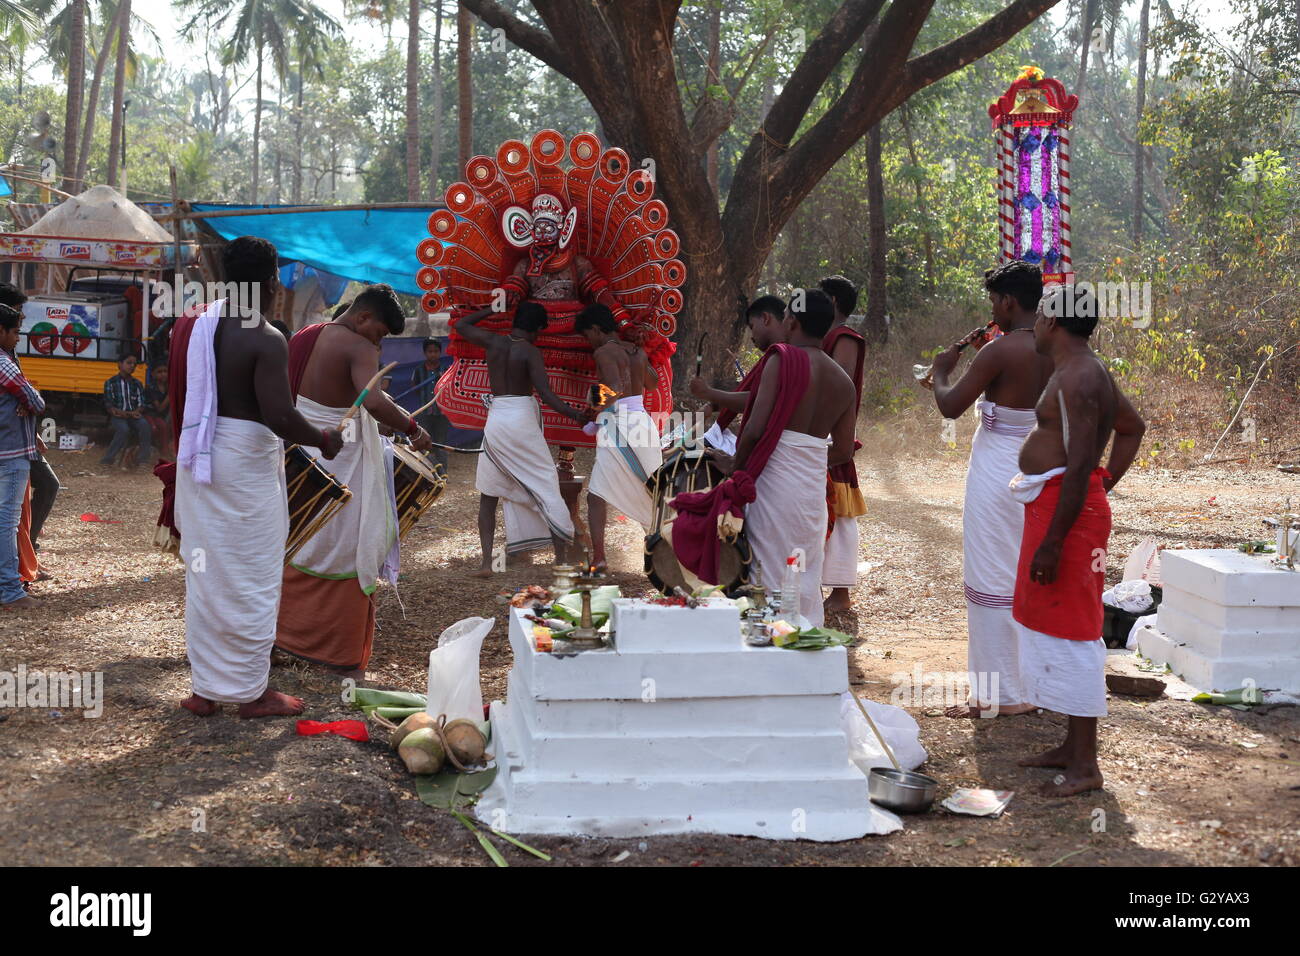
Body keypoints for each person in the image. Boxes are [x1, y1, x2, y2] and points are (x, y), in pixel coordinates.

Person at [170, 236, 344, 717]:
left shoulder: (199, 323)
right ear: (271, 282)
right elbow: (280, 418)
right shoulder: (265, 337)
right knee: (251, 576)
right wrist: (324, 439)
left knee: (207, 576)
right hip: (244, 466)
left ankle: (206, 690)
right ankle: (252, 693)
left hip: (202, 461)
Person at [1012, 284, 1145, 796]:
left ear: (1055, 323)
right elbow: (1132, 427)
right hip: (1062, 508)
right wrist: (1100, 482)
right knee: (1052, 618)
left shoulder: (1082, 374)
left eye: (1042, 314)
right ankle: (1071, 747)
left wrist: (1059, 533)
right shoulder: (1078, 370)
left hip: (1066, 520)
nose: (1037, 323)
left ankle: (1087, 765)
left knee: (1074, 629)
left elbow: (1081, 459)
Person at [276, 283, 432, 676]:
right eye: (379, 333)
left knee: (293, 541)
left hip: (301, 456)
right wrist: (412, 428)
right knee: (344, 547)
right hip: (338, 459)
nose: (378, 344)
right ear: (363, 317)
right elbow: (375, 400)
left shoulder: (307, 335)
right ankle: (337, 654)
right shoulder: (359, 346)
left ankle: (276, 638)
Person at [678, 290, 855, 627]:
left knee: (768, 575)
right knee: (803, 573)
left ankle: (771, 649)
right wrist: (804, 458)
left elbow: (756, 429)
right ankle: (807, 646)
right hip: (811, 494)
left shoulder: (782, 359)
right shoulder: (843, 382)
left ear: (791, 322)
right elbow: (844, 451)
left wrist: (736, 466)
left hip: (773, 487)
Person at [928, 261, 1051, 719]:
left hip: (997, 474)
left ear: (1008, 301)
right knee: (1026, 573)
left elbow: (949, 406)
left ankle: (1000, 694)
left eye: (994, 303)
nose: (992, 312)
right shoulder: (1056, 347)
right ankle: (1032, 684)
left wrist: (943, 370)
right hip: (1041, 471)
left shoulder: (999, 352)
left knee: (991, 577)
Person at [458, 301, 586, 576]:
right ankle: (561, 558)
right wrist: (575, 415)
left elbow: (461, 325)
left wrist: (493, 308)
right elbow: (547, 395)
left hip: (497, 421)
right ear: (538, 328)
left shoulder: (493, 342)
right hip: (521, 422)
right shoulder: (529, 352)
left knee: (488, 494)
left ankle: (485, 564)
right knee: (546, 484)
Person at [575, 303, 662, 570]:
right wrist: (642, 356)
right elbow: (653, 383)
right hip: (642, 423)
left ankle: (600, 558)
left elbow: (613, 389)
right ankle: (662, 545)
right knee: (652, 488)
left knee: (596, 495)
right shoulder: (635, 351)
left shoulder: (603, 352)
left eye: (587, 336)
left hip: (618, 425)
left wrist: (589, 405)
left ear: (596, 329)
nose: (588, 342)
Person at [818, 275, 868, 614]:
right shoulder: (825, 337)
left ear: (833, 302)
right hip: (817, 430)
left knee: (841, 511)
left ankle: (840, 592)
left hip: (831, 433)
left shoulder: (844, 337)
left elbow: (840, 383)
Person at [0, 282, 58, 551]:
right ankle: (20, 562)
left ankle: (25, 555)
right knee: (11, 514)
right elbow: (32, 397)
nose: (22, 316)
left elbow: (26, 394)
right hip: (9, 443)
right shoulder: (3, 354)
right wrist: (25, 399)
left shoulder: (9, 347)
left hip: (18, 435)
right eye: (18, 309)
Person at [0, 302, 43, 610]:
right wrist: (27, 401)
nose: (17, 337)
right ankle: (10, 591)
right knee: (7, 522)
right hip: (11, 450)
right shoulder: (4, 363)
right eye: (14, 331)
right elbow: (36, 400)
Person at [101, 354, 151, 468]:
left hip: (134, 416)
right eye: (129, 363)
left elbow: (142, 403)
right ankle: (108, 459)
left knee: (145, 427)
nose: (132, 366)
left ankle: (143, 459)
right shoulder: (111, 382)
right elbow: (109, 405)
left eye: (134, 364)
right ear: (120, 364)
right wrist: (126, 413)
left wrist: (136, 411)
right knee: (123, 430)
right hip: (119, 416)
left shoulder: (137, 383)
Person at [409, 337, 451, 471]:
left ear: (440, 352)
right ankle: (428, 472)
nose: (433, 354)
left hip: (442, 414)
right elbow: (414, 388)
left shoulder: (446, 370)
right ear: (425, 353)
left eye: (436, 351)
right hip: (424, 413)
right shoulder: (418, 370)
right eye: (430, 351)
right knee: (423, 443)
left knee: (440, 443)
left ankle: (443, 473)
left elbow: (450, 389)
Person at [143, 364, 174, 460]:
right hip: (150, 415)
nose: (163, 374)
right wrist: (170, 395)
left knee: (166, 426)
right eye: (159, 372)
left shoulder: (168, 386)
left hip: (160, 416)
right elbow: (159, 408)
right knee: (156, 428)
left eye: (165, 371)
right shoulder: (151, 388)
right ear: (152, 374)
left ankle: (165, 451)